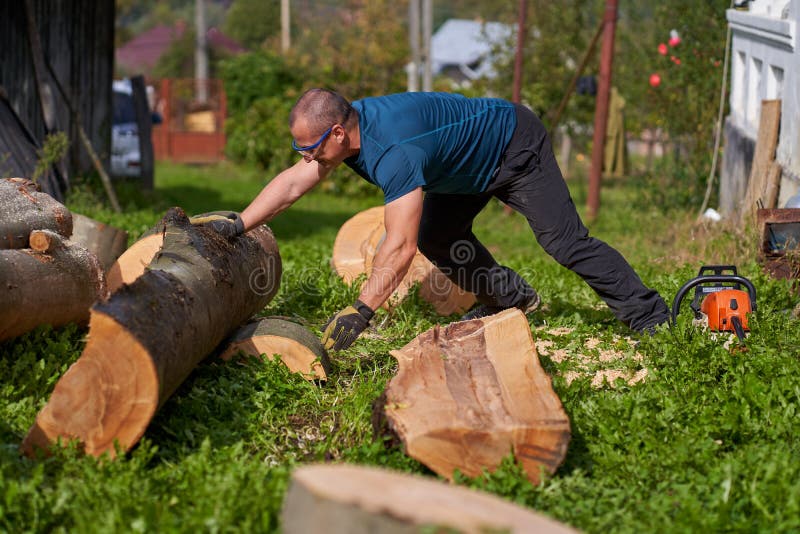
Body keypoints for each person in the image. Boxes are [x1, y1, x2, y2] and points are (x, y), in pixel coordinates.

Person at [197, 88, 670, 351]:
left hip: (513, 148)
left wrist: (362, 310)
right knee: (438, 235)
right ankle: (509, 297)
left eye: (308, 148)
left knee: (564, 243)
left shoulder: (393, 152)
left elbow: (397, 246)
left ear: (338, 132)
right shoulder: (350, 134)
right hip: (466, 168)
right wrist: (238, 225)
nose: (305, 157)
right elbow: (292, 184)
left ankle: (651, 316)